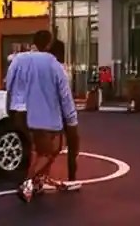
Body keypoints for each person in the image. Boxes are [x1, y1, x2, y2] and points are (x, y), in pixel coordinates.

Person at [6, 30, 79, 202]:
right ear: (50, 45)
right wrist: (71, 120)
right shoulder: (54, 66)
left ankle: (38, 182)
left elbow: (8, 83)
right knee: (50, 150)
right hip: (40, 114)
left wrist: (10, 106)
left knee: (37, 149)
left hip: (17, 111)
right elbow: (65, 97)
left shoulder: (19, 59)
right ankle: (28, 183)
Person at [48, 39, 81, 184]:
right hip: (62, 112)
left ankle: (41, 175)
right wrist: (71, 117)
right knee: (72, 143)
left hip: (48, 111)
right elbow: (65, 96)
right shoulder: (61, 70)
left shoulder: (47, 68)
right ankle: (72, 176)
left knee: (47, 146)